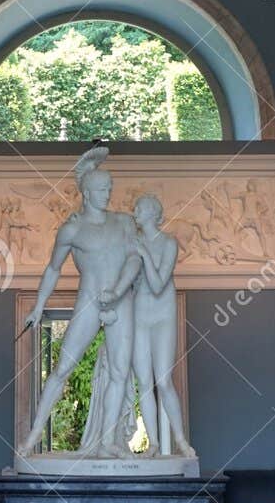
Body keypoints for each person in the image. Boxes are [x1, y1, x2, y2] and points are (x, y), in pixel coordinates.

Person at [18, 146, 136, 457]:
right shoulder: (72, 229)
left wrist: (120, 291)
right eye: (102, 189)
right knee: (62, 369)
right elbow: (53, 269)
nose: (107, 194)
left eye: (109, 188)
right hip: (90, 301)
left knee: (120, 372)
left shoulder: (124, 222)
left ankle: (108, 442)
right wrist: (39, 306)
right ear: (86, 192)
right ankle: (32, 438)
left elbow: (135, 259)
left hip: (121, 301)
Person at [101, 194, 195, 459]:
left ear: (154, 213)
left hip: (162, 315)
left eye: (140, 208)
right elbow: (124, 277)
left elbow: (158, 285)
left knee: (163, 381)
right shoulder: (133, 242)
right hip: (139, 315)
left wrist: (143, 253)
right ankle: (153, 443)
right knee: (144, 383)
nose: (135, 212)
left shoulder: (168, 243)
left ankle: (181, 441)